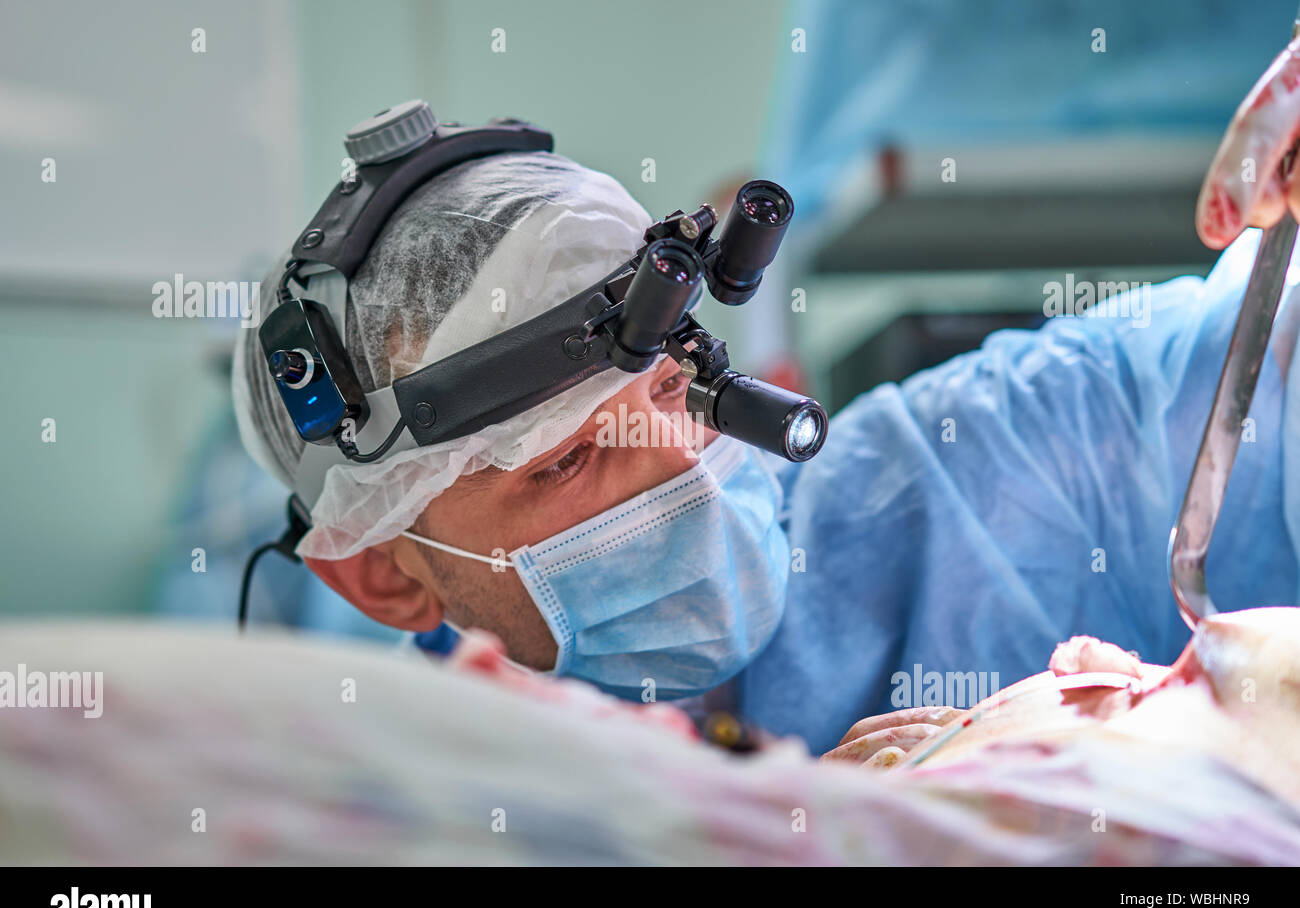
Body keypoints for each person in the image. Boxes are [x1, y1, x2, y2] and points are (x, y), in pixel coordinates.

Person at [234, 48, 1300, 757]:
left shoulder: (990, 479)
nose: (681, 463)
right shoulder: (432, 813)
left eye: (676, 385)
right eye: (565, 458)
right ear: (386, 574)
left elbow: (1239, 367)